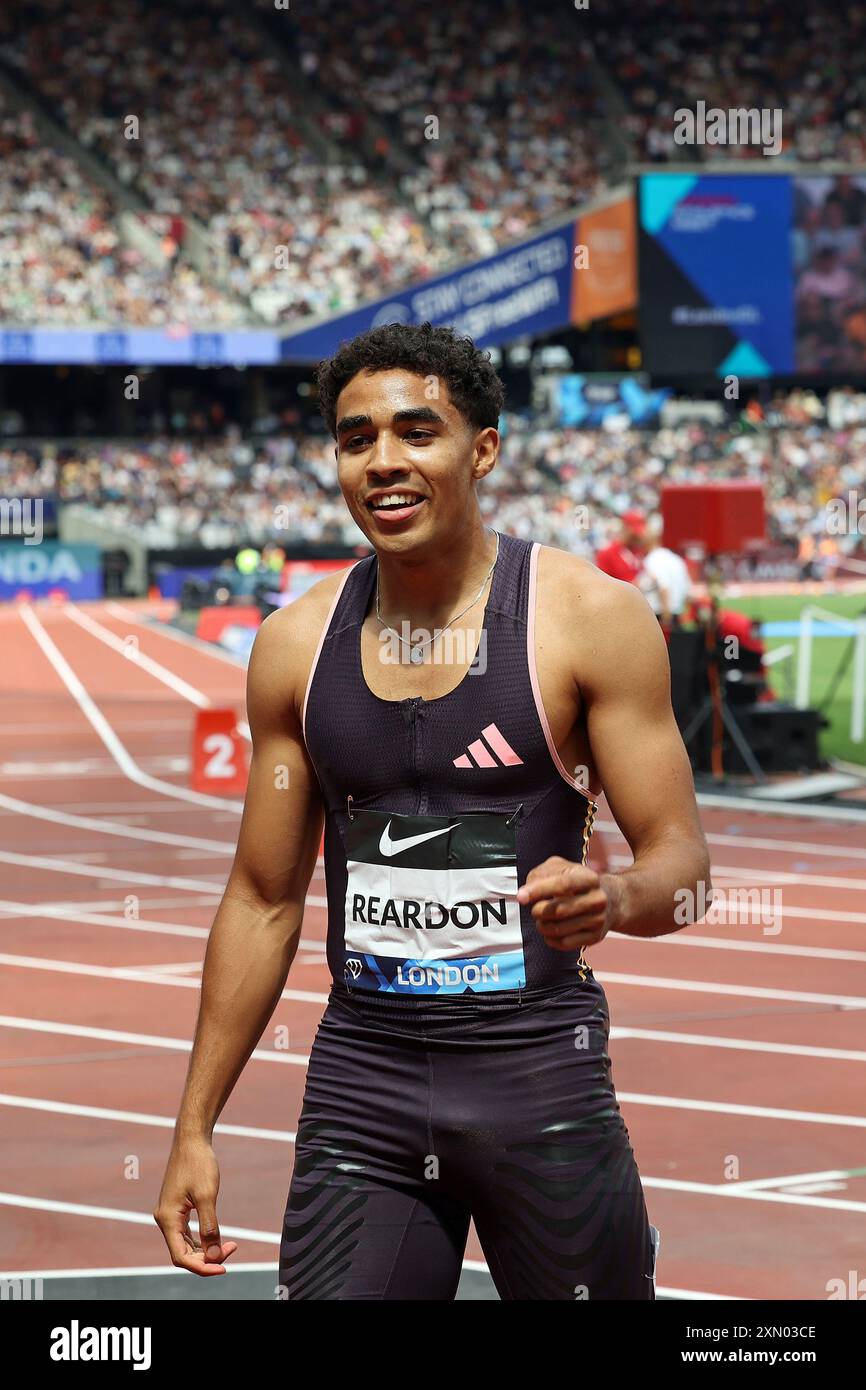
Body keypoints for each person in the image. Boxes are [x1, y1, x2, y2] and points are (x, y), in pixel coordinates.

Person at [154, 323, 710, 1300]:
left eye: (418, 431)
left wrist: (613, 897)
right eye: (355, 437)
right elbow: (261, 897)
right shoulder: (292, 646)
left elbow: (684, 871)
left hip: (536, 1075)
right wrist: (194, 1125)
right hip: (362, 1083)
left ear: (481, 448)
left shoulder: (586, 619)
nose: (384, 461)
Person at [594, 508, 648, 583]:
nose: (638, 538)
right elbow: (600, 584)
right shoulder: (607, 553)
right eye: (634, 535)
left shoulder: (639, 551)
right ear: (625, 529)